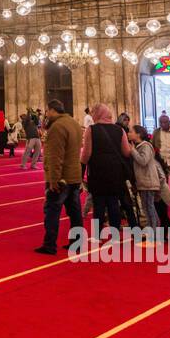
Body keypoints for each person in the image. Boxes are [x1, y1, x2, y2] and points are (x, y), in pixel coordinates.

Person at [37, 99, 84, 254]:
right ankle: (77, 243)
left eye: (47, 111)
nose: (46, 115)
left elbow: (55, 156)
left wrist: (53, 180)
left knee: (52, 211)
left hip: (62, 178)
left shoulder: (57, 127)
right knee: (75, 212)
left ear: (52, 110)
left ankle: (49, 244)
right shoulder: (74, 123)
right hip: (74, 175)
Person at [79, 103, 132, 232]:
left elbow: (86, 155)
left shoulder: (91, 130)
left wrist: (81, 172)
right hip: (115, 172)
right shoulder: (120, 130)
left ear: (96, 114)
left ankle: (98, 234)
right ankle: (114, 232)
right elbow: (126, 152)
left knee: (99, 204)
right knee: (114, 202)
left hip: (98, 172)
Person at [129, 125, 167, 229]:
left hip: (149, 182)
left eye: (131, 132)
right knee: (146, 208)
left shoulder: (145, 146)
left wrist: (132, 151)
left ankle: (155, 230)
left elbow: (143, 161)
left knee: (149, 207)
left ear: (138, 134)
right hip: (143, 182)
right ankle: (152, 228)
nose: (129, 134)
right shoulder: (138, 146)